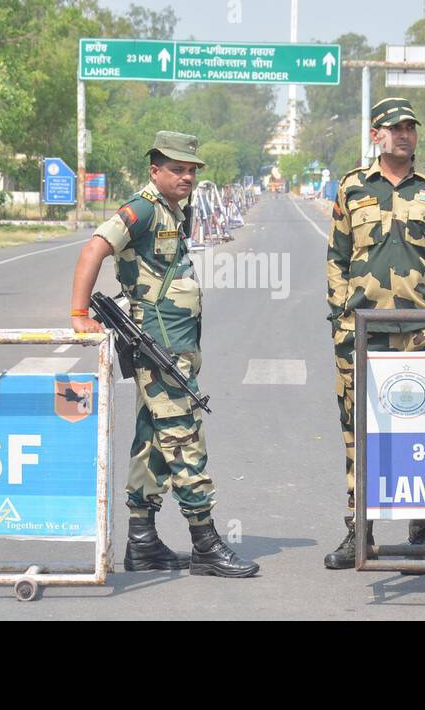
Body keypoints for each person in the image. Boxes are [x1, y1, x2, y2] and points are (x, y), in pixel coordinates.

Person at [70, 130, 259, 578]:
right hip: (157, 345)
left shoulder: (176, 209)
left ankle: (142, 542)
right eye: (177, 168)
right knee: (184, 437)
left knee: (152, 439)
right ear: (155, 169)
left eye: (192, 169)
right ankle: (206, 541)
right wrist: (79, 312)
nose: (187, 176)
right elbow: (95, 247)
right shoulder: (140, 209)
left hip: (175, 344)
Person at [323, 97, 425, 570]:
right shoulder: (351, 188)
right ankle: (358, 530)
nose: (404, 134)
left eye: (410, 127)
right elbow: (336, 260)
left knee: (419, 428)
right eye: (395, 127)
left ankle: (420, 521)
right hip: (361, 332)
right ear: (376, 135)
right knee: (359, 431)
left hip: (420, 334)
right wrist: (341, 318)